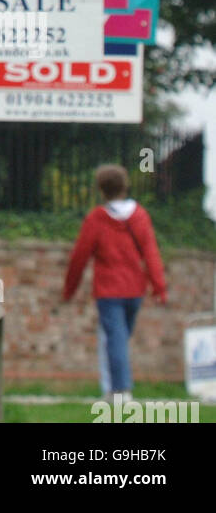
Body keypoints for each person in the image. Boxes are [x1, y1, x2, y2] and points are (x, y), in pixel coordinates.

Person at [62, 163, 167, 401]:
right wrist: (159, 287)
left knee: (116, 339)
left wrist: (69, 289)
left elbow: (79, 256)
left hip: (109, 291)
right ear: (125, 186)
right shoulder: (140, 215)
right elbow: (151, 253)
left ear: (101, 189)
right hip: (135, 290)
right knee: (119, 338)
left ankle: (120, 391)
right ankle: (115, 390)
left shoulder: (97, 218)